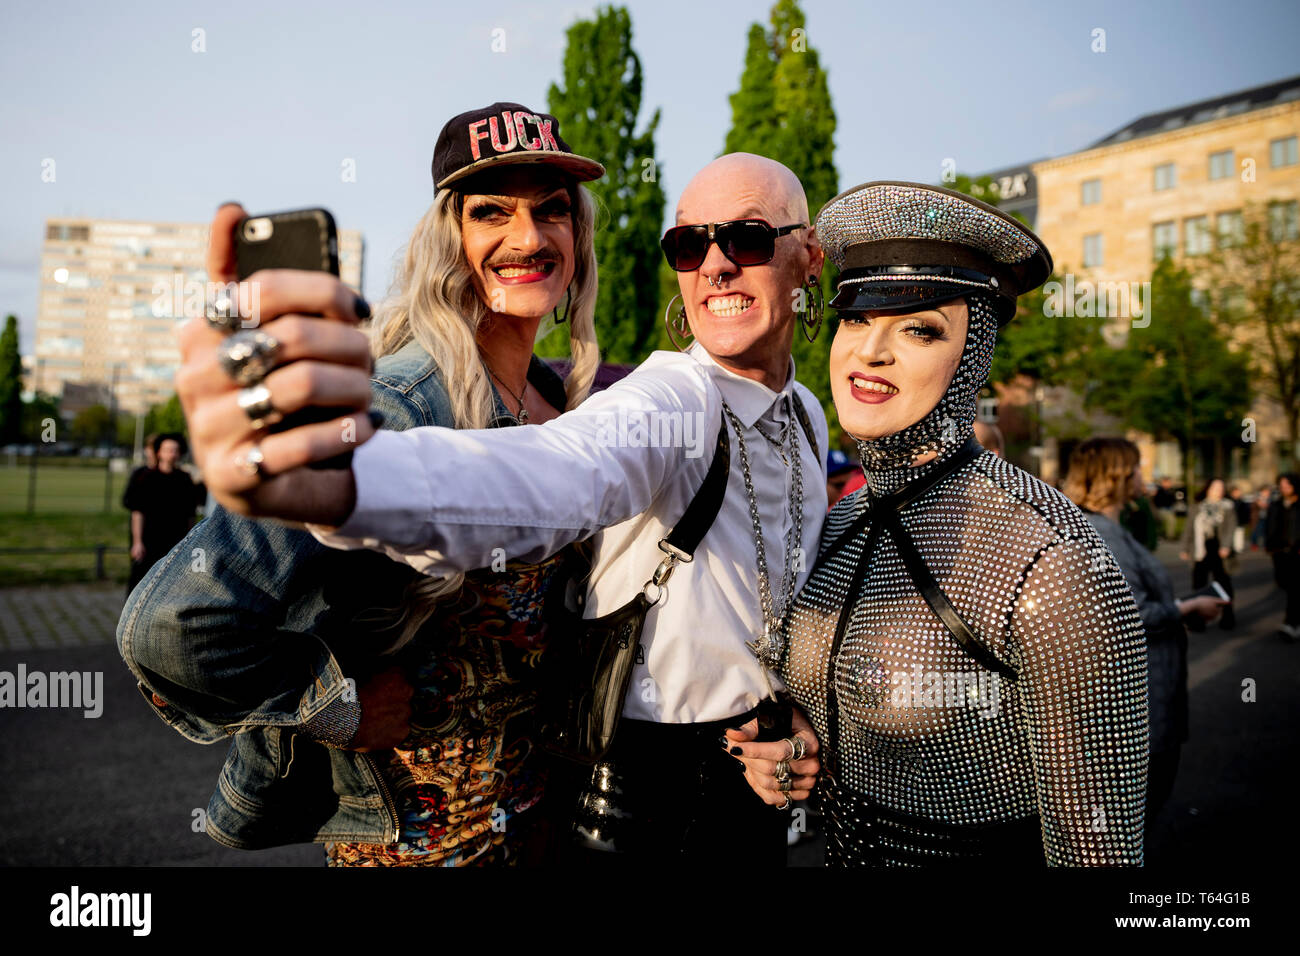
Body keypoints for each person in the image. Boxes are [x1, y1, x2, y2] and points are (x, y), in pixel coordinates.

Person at [169, 152, 830, 866]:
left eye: (750, 239)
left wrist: (785, 722)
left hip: (588, 809)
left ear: (809, 257)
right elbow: (552, 477)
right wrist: (347, 479)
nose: (717, 265)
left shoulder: (804, 417)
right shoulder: (672, 399)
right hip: (609, 812)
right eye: (690, 244)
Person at [118, 102, 605, 865]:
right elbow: (173, 626)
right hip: (416, 848)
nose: (529, 238)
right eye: (491, 213)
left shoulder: (568, 404)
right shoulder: (400, 405)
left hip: (544, 825)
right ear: (450, 239)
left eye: (552, 211)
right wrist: (336, 706)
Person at [734, 181, 1148, 866]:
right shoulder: (836, 526)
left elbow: (1096, 854)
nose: (870, 351)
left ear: (972, 359)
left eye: (919, 328)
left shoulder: (1052, 558)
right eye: (857, 319)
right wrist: (799, 752)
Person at [1063, 438, 1225, 838]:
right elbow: (1127, 612)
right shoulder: (1103, 533)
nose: (1142, 476)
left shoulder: (1108, 528)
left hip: (1149, 687)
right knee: (1129, 819)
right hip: (1141, 693)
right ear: (1115, 475)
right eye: (1135, 468)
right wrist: (1185, 609)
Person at [122, 432, 204, 593]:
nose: (172, 454)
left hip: (175, 538)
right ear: (159, 452)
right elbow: (137, 512)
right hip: (150, 538)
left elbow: (190, 514)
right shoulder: (145, 478)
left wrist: (190, 541)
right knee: (140, 581)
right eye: (168, 450)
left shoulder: (185, 479)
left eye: (175, 450)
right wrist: (137, 542)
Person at [1180, 477, 1237, 631]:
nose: (1219, 491)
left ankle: (1228, 616)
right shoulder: (1197, 507)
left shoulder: (1228, 507)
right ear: (1208, 489)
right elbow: (1189, 529)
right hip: (1200, 550)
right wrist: (1184, 548)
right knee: (1199, 584)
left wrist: (1226, 546)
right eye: (1216, 488)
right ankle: (1197, 620)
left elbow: (1231, 529)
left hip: (1219, 550)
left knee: (1223, 584)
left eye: (1221, 488)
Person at [1265, 473, 1300, 641]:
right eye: (1282, 485)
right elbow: (1269, 527)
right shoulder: (1276, 505)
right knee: (1284, 583)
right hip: (1280, 552)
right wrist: (1270, 547)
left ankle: (1290, 623)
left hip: (1297, 552)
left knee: (1294, 588)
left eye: (1288, 484)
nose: (1284, 488)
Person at [1152, 476, 1178, 540]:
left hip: (1169, 509)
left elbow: (1173, 501)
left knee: (1172, 519)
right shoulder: (1159, 491)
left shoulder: (1171, 491)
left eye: (1169, 483)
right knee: (1167, 518)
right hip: (1161, 509)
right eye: (1167, 482)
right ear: (1163, 483)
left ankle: (1170, 536)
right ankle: (1161, 534)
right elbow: (1156, 502)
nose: (1169, 484)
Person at [1250, 484, 1272, 550]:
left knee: (1265, 532)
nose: (1267, 493)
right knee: (1256, 531)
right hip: (1258, 518)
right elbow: (1255, 506)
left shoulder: (1270, 498)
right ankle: (1254, 544)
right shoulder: (1257, 497)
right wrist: (1260, 504)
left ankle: (1266, 544)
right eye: (1266, 491)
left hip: (1267, 517)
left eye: (1268, 491)